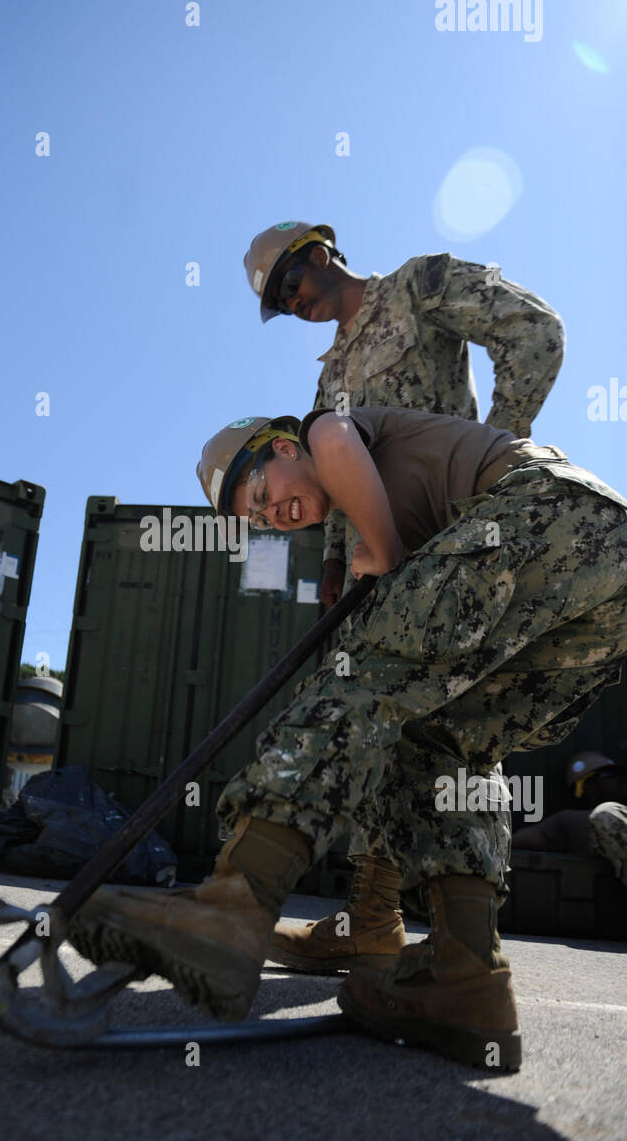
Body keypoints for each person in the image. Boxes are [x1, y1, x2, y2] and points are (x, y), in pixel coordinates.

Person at [69, 406, 627, 1070]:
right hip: (605, 591)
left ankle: (230, 911)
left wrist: (383, 553)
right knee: (442, 745)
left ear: (280, 445)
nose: (267, 515)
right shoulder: (385, 506)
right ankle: (465, 978)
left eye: (258, 494)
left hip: (552, 515)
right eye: (254, 518)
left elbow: (333, 437)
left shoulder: (327, 431)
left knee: (355, 679)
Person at [243, 221, 566, 974]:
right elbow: (333, 465)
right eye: (281, 304)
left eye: (291, 286)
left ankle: (467, 952)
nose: (293, 304)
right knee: (381, 730)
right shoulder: (327, 379)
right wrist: (330, 561)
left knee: (455, 730)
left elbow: (533, 331)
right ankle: (372, 920)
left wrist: (496, 458)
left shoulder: (419, 286)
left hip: (458, 542)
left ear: (319, 254)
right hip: (383, 567)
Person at [512, 751, 627, 888]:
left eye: (620, 774)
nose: (620, 779)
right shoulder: (571, 820)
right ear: (587, 786)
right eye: (609, 774)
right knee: (606, 813)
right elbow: (529, 838)